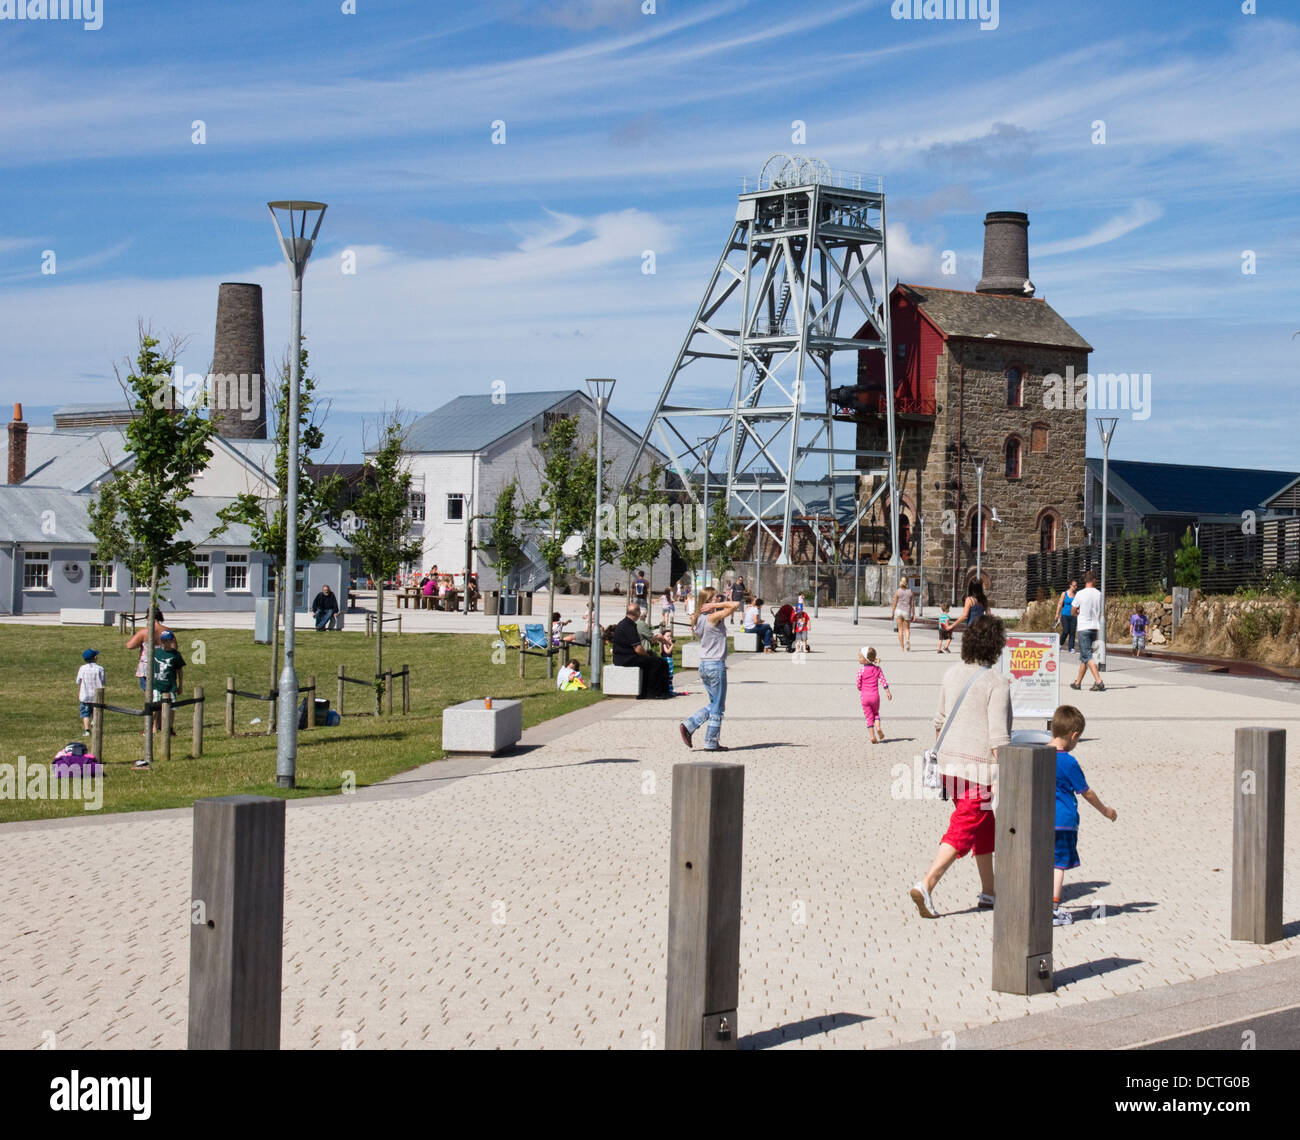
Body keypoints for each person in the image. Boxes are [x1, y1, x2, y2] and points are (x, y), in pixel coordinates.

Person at [909, 615, 1012, 919]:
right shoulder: (997, 682)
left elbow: (938, 721)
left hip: (949, 766)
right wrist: (1005, 775)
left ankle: (990, 891)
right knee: (965, 825)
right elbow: (998, 737)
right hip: (977, 769)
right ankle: (927, 884)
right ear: (996, 647)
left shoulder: (952, 673)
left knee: (982, 824)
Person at [1049, 704, 1117, 925]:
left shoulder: (1038, 753)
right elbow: (1086, 792)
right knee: (1058, 864)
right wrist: (1106, 811)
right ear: (1074, 735)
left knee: (1042, 863)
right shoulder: (1068, 761)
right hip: (1063, 822)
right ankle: (1052, 909)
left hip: (1039, 820)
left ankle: (1038, 902)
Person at [679, 587, 738, 750]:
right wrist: (715, 607)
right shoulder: (713, 617)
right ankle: (710, 741)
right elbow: (735, 605)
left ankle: (689, 726)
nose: (719, 599)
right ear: (708, 602)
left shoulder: (698, 618)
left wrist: (712, 605)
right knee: (718, 706)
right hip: (715, 664)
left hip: (704, 664)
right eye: (716, 598)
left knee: (715, 703)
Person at [136, 631, 185, 767]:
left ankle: (169, 728)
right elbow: (148, 667)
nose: (166, 643)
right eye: (164, 640)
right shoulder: (155, 653)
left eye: (169, 640)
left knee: (173, 707)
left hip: (170, 685)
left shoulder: (176, 655)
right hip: (157, 685)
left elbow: (180, 671)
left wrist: (180, 685)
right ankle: (151, 728)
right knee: (155, 707)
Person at [611, 603, 671, 699]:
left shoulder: (623, 623)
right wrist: (648, 655)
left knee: (658, 662)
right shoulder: (629, 626)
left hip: (622, 657)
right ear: (637, 613)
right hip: (626, 658)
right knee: (657, 662)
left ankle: (658, 691)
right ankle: (652, 692)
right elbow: (638, 649)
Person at [1070, 571, 1105, 692]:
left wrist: (1078, 612)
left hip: (1083, 627)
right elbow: (1100, 610)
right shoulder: (1099, 594)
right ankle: (1078, 682)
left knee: (1087, 655)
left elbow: (1073, 611)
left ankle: (1098, 681)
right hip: (1094, 627)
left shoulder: (1080, 594)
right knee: (1085, 656)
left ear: (1085, 580)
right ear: (1094, 580)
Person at [125, 607, 167, 696]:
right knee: (163, 694)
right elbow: (174, 647)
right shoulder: (167, 631)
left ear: (148, 617)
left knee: (149, 694)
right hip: (164, 665)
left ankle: (152, 709)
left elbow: (130, 645)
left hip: (147, 667)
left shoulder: (144, 631)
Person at [856, 646, 892, 744]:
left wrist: (861, 688)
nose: (858, 659)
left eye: (860, 657)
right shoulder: (877, 669)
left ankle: (872, 736)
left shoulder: (861, 671)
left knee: (869, 717)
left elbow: (858, 685)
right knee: (876, 713)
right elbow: (883, 681)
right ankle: (878, 727)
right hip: (875, 697)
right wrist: (888, 692)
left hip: (865, 697)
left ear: (865, 659)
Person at [76, 648, 104, 736]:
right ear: (95, 657)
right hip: (97, 695)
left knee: (85, 713)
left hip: (85, 695)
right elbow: (103, 680)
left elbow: (78, 681)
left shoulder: (82, 668)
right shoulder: (100, 668)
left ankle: (87, 730)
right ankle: (94, 723)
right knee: (96, 711)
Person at [1054, 579, 1079, 652]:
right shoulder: (1064, 593)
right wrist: (1057, 614)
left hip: (1073, 615)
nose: (1075, 587)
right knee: (1066, 630)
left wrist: (1078, 610)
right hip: (1064, 615)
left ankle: (1071, 648)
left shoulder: (1076, 595)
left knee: (1072, 632)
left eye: (1076, 586)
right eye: (1074, 585)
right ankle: (1060, 644)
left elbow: (1078, 605)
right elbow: (1060, 604)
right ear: (1070, 585)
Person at [893, 577, 915, 652]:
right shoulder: (910, 592)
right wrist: (914, 614)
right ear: (907, 583)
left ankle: (902, 648)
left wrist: (892, 613)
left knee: (900, 630)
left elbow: (894, 604)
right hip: (907, 611)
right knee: (907, 629)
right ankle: (908, 640)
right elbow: (912, 604)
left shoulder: (897, 591)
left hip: (898, 611)